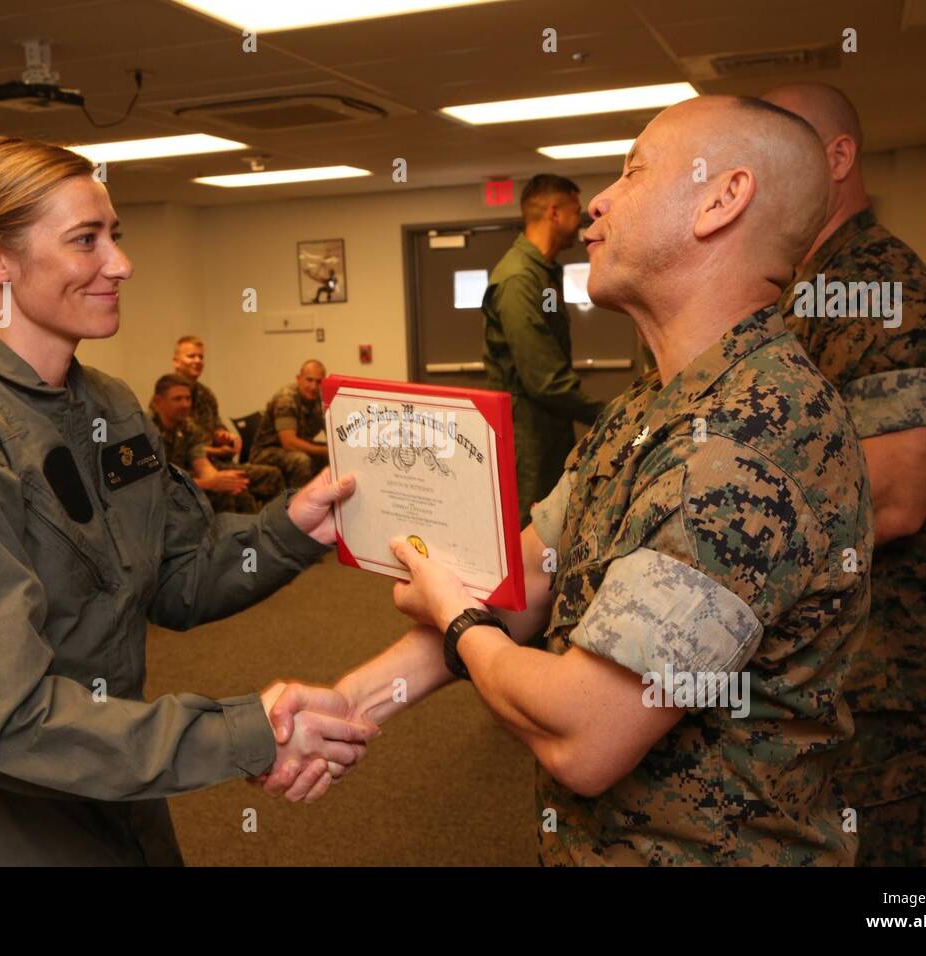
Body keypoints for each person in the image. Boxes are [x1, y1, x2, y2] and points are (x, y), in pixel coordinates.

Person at [266, 96, 873, 867]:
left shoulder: (751, 441)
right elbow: (514, 586)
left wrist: (454, 614)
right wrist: (353, 702)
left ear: (723, 199)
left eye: (634, 171)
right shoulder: (647, 409)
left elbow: (585, 735)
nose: (600, 204)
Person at [0, 135, 378, 866]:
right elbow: (2, 724)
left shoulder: (110, 407)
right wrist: (244, 733)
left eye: (113, 236)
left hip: (116, 784)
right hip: (2, 825)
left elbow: (177, 577)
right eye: (85, 240)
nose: (119, 263)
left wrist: (292, 529)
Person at [764, 82, 926, 867]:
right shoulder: (810, 289)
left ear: (838, 158)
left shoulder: (887, 296)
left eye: (782, 152)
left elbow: (893, 502)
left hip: (887, 678)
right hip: (827, 676)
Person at [483, 173, 605, 528]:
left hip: (546, 428)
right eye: (575, 210)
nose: (580, 219)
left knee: (551, 532)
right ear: (554, 212)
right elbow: (543, 379)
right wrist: (608, 414)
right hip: (528, 437)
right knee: (529, 534)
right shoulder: (520, 278)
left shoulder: (541, 273)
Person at [172, 335, 283, 503]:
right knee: (241, 492)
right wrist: (217, 451)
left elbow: (217, 426)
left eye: (200, 356)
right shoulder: (169, 396)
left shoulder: (205, 394)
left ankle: (275, 525)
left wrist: (226, 437)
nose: (197, 360)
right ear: (176, 361)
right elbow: (180, 449)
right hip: (191, 471)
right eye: (191, 356)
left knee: (272, 475)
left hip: (218, 462)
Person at [150, 374, 258, 514]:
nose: (185, 404)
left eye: (188, 398)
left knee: (234, 492)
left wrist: (219, 479)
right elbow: (154, 483)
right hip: (155, 495)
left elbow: (201, 463)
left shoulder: (188, 428)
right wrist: (209, 483)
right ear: (158, 402)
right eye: (178, 399)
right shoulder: (145, 431)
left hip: (182, 483)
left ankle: (242, 534)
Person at [249, 360, 328, 490]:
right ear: (299, 379)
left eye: (319, 382)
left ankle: (324, 503)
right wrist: (325, 451)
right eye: (309, 380)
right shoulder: (286, 399)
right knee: (302, 461)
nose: (313, 387)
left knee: (332, 458)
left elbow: (332, 433)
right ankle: (295, 505)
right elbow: (289, 443)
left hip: (295, 446)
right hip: (267, 451)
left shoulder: (320, 400)